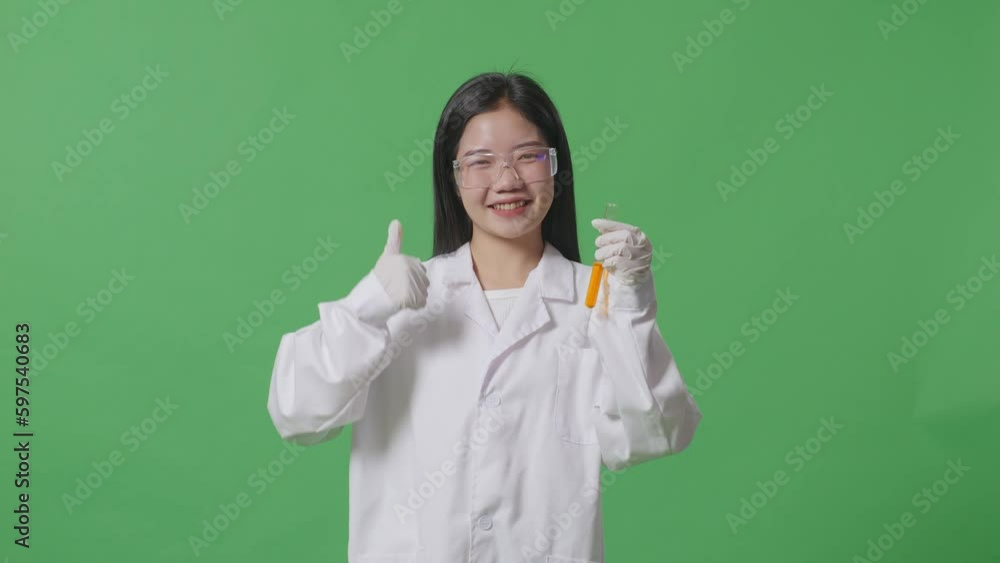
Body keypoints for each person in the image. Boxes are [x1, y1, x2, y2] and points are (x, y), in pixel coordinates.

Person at [267, 72, 701, 563]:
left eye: (528, 156)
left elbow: (657, 434)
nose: (507, 180)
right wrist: (368, 304)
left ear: (555, 166)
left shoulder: (595, 300)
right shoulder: (403, 300)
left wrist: (631, 303)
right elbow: (296, 413)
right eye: (480, 161)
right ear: (453, 178)